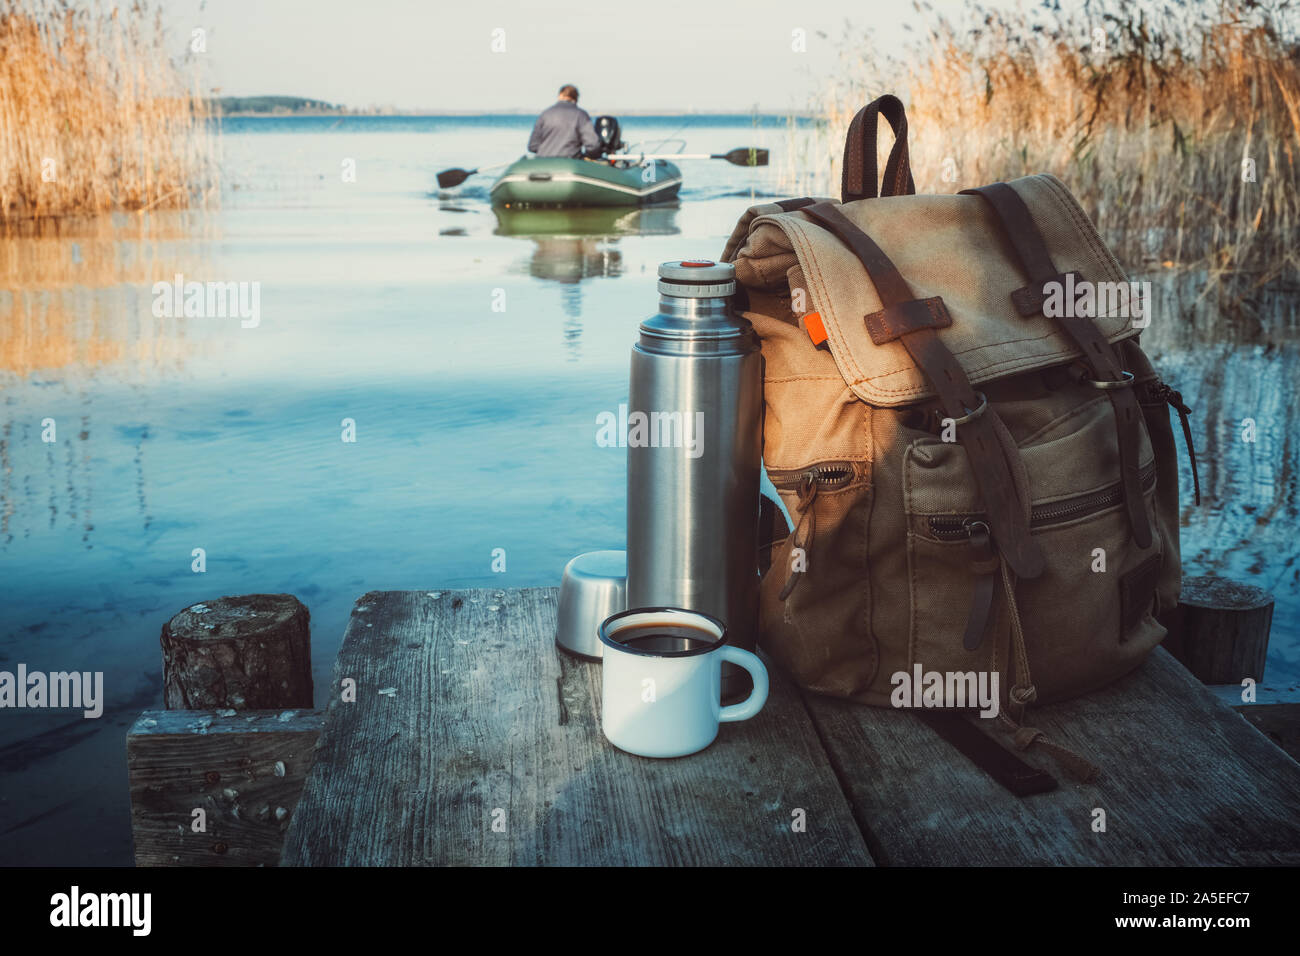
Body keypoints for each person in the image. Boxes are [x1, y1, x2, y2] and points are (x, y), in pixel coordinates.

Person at [528, 85, 602, 159]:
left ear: (560, 95)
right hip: (570, 163)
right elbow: (593, 145)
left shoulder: (545, 114)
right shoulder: (581, 115)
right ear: (576, 99)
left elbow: (533, 146)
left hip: (543, 163)